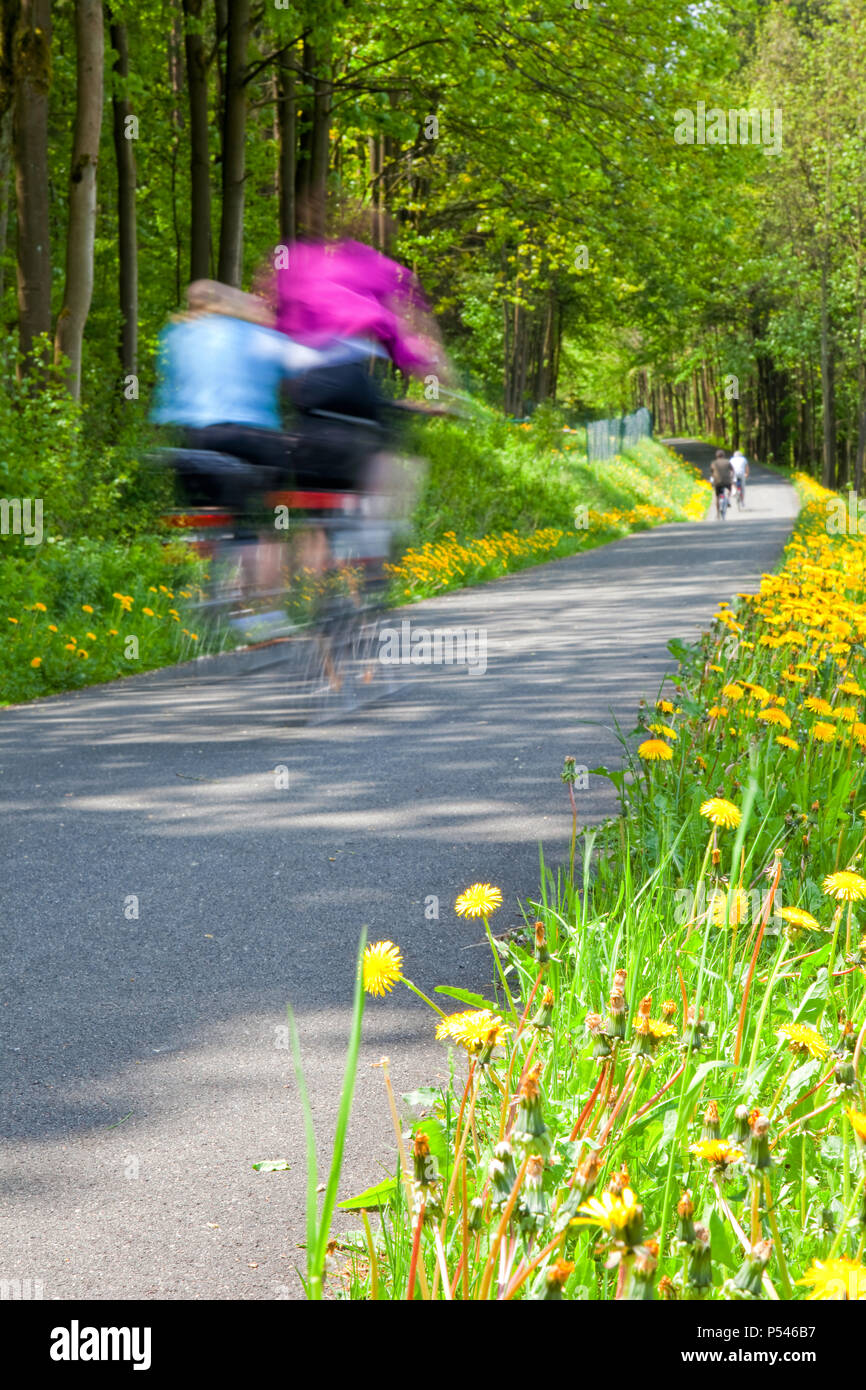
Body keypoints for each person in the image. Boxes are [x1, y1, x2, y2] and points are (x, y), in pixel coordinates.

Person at [150, 280, 328, 632]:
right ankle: (265, 613)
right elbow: (307, 369)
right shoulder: (258, 334)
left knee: (210, 511)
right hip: (257, 439)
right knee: (266, 524)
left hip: (198, 438)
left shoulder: (177, 333)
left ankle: (202, 592)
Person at [710, 449, 734, 519]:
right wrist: (731, 478)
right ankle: (728, 499)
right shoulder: (728, 462)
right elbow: (732, 471)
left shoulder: (713, 463)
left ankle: (717, 513)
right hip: (727, 481)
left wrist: (712, 478)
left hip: (717, 482)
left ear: (716, 456)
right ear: (723, 455)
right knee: (730, 489)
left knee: (717, 496)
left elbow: (711, 472)